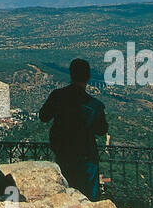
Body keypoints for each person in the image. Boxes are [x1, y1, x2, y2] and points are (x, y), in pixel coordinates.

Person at [39, 58, 109, 199]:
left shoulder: (57, 96)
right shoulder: (95, 106)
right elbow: (102, 130)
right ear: (88, 77)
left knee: (65, 193)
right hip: (86, 156)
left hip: (63, 152)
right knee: (89, 197)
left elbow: (43, 116)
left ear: (71, 74)